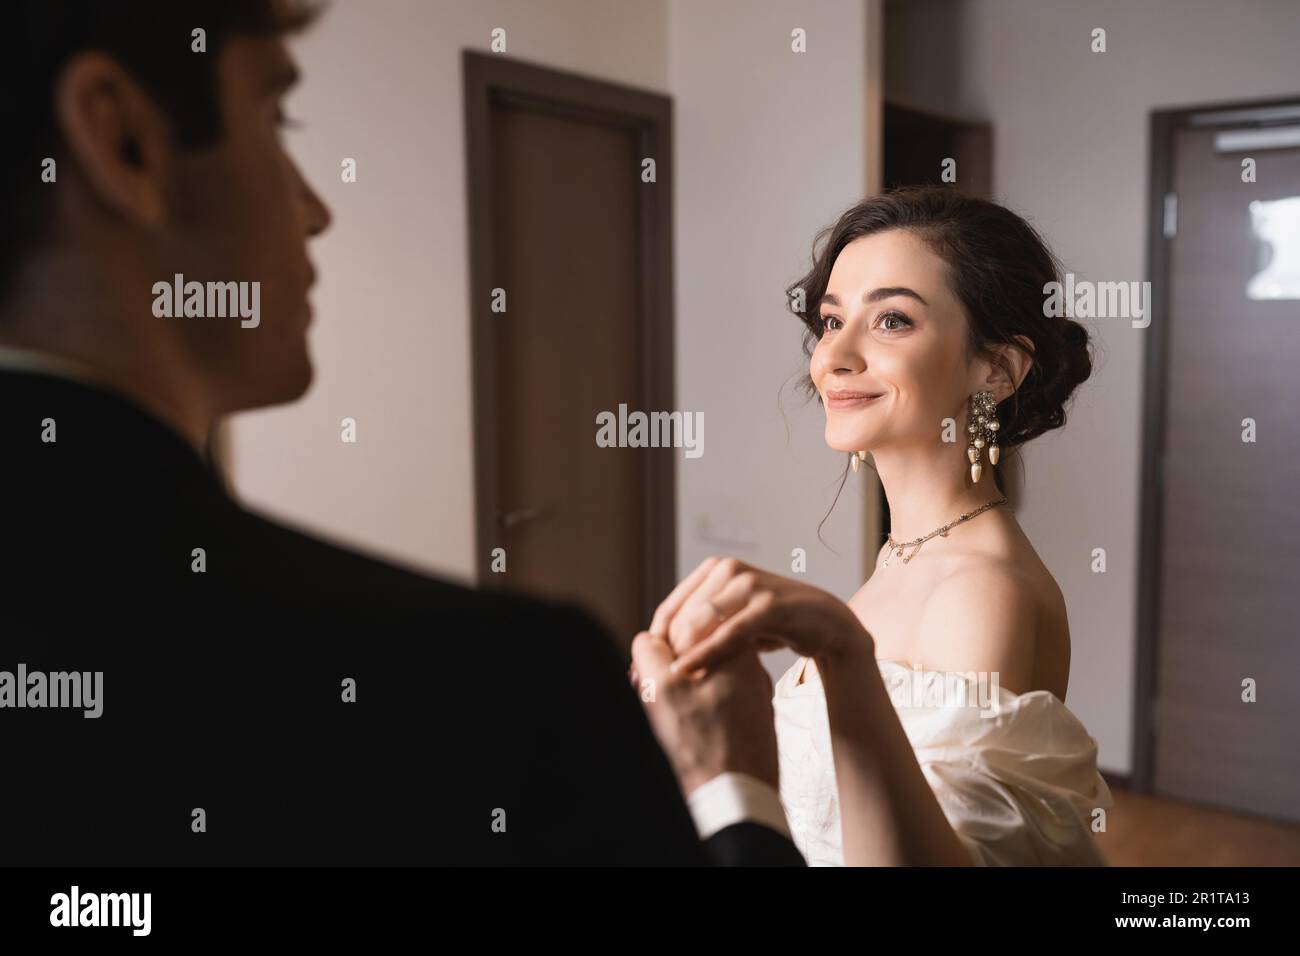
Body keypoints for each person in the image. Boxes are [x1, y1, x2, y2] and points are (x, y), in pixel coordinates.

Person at [0, 0, 801, 866]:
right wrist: (734, 788)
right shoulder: (496, 695)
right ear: (122, 140)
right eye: (276, 117)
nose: (315, 211)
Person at [656, 187, 1113, 866]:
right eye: (832, 320)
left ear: (996, 369)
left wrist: (842, 656)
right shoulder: (908, 555)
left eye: (892, 320)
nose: (833, 357)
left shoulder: (980, 592)